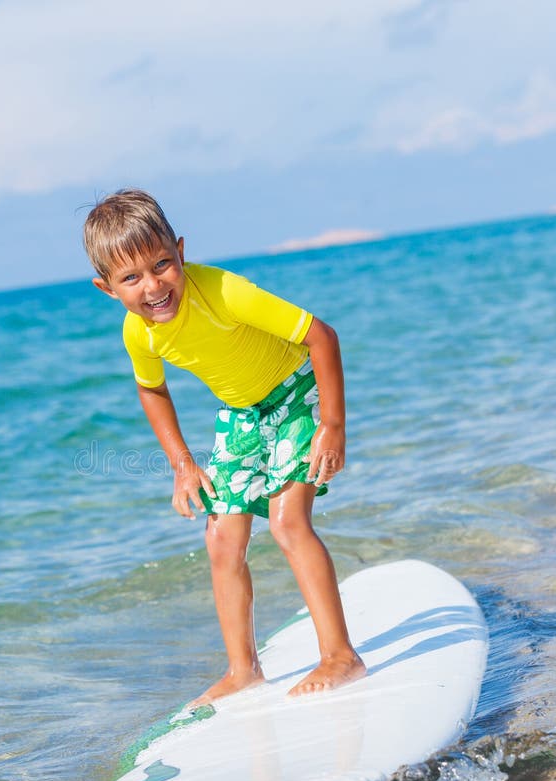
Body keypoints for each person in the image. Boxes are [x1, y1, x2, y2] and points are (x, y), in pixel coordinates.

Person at [84, 188, 366, 708]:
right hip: (241, 416)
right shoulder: (138, 334)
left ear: (181, 251)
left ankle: (340, 655)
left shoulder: (223, 291)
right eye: (132, 278)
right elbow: (152, 389)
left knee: (287, 522)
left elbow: (321, 336)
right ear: (107, 288)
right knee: (221, 541)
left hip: (297, 392)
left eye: (162, 264)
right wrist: (182, 465)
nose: (153, 286)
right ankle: (243, 671)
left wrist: (333, 424)